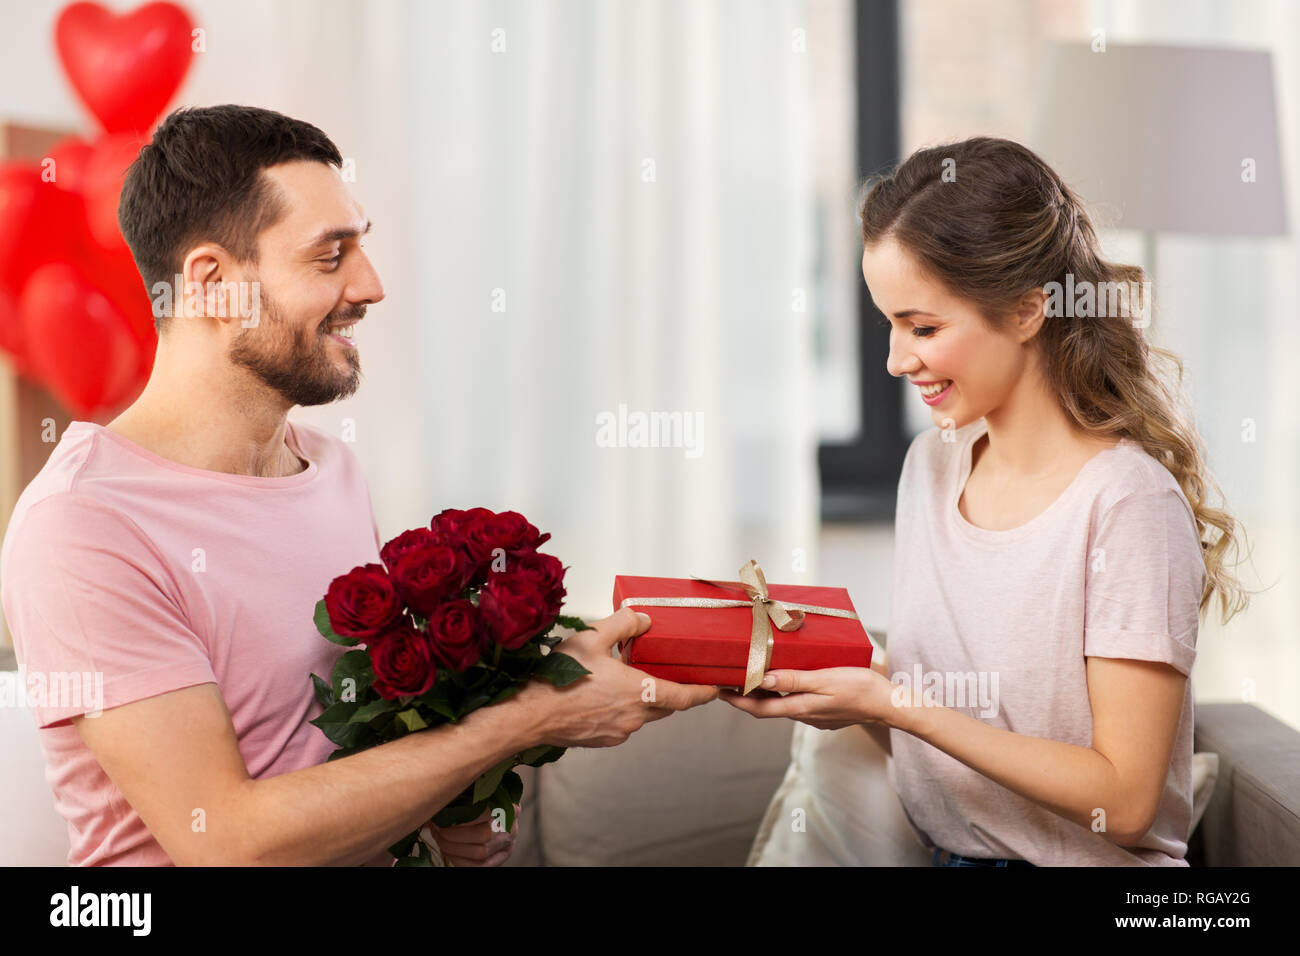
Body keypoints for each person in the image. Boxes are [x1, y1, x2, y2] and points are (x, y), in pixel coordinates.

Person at [0, 104, 716, 867]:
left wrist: (443, 812)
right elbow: (232, 843)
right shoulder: (84, 524)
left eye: (361, 248)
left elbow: (343, 742)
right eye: (329, 256)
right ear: (212, 283)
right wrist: (525, 719)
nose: (369, 287)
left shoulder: (329, 466)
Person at [725, 136, 1251, 867]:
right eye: (890, 324)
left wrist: (894, 703)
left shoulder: (1127, 505)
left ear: (1030, 309)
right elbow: (952, 745)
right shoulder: (931, 468)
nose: (896, 360)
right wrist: (860, 696)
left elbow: (1125, 802)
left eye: (924, 327)